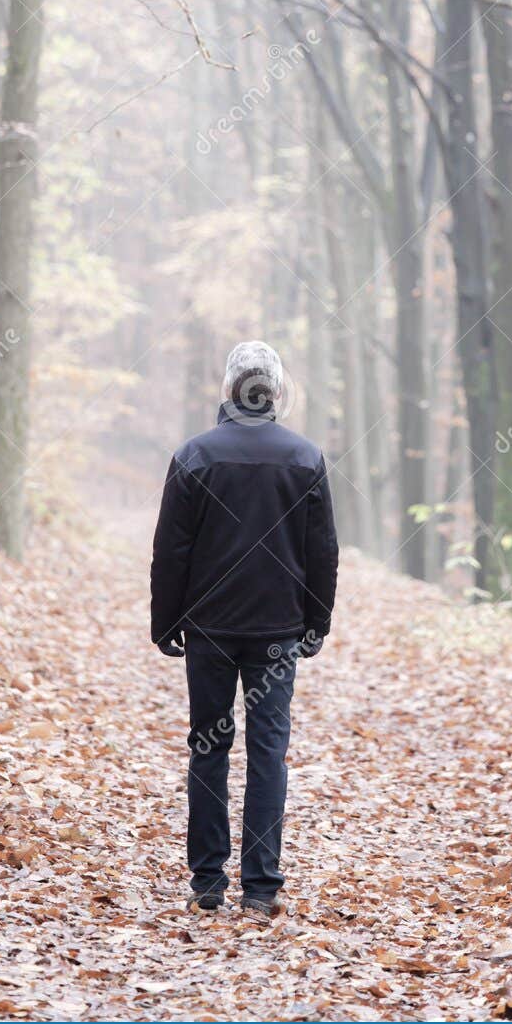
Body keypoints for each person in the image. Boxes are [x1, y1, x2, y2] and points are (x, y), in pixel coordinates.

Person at [150, 340, 338, 918]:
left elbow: (171, 551)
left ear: (230, 389)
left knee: (208, 747)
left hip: (209, 629)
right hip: (277, 631)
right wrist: (317, 621)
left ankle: (208, 881)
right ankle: (260, 886)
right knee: (267, 752)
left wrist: (166, 621)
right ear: (274, 391)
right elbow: (323, 551)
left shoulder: (194, 456)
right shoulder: (304, 458)